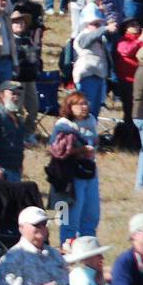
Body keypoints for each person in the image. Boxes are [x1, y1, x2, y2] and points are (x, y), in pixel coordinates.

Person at [49, 92, 101, 241]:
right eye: (80, 104)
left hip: (89, 172)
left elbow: (94, 141)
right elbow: (55, 149)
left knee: (91, 216)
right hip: (69, 178)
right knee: (69, 219)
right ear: (70, 107)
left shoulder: (91, 120)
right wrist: (80, 150)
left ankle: (88, 248)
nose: (84, 107)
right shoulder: (63, 125)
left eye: (86, 103)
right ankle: (67, 248)